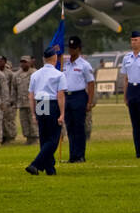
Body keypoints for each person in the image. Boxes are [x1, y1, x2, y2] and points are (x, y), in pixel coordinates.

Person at [25, 45, 66, 176]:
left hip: (40, 102)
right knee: (53, 139)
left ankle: (50, 169)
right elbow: (60, 95)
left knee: (44, 137)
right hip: (51, 103)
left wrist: (33, 113)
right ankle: (35, 164)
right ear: (54, 58)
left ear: (43, 59)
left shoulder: (35, 74)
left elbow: (31, 95)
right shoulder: (59, 74)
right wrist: (62, 113)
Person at [62, 36, 96, 162]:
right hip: (67, 97)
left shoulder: (84, 65)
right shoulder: (65, 64)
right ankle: (72, 156)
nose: (71, 50)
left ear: (79, 49)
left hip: (79, 96)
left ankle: (80, 155)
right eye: (70, 48)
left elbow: (91, 83)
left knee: (79, 127)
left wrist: (89, 101)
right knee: (70, 127)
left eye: (74, 48)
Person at [15, 56, 38, 143]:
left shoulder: (35, 73)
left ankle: (35, 138)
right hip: (21, 102)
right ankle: (28, 138)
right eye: (22, 62)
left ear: (29, 63)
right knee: (24, 121)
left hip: (33, 102)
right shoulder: (17, 75)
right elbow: (14, 89)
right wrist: (14, 101)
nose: (23, 64)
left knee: (33, 121)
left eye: (25, 62)